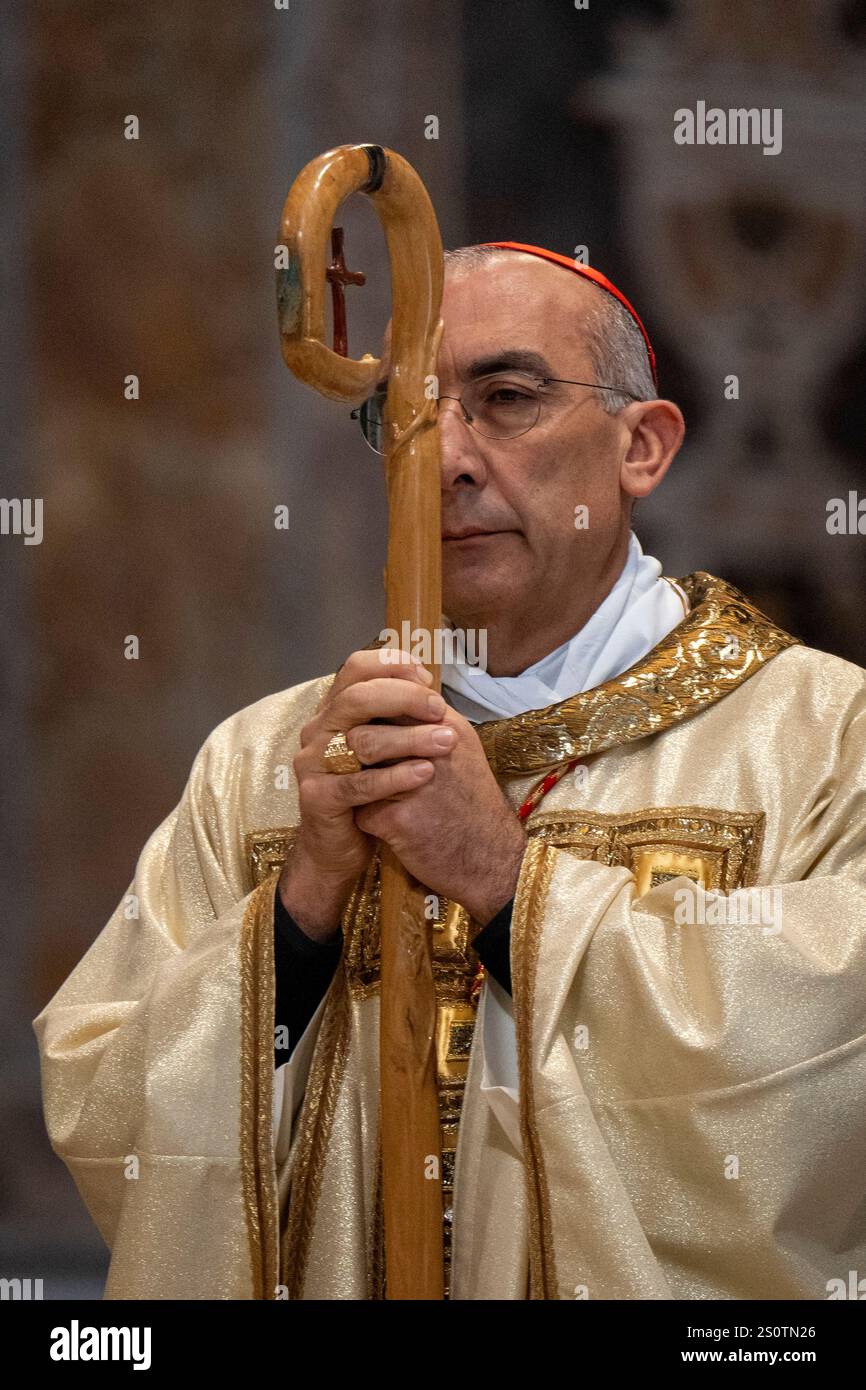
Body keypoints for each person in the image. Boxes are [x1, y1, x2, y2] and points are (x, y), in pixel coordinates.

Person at [34, 243, 866, 1301]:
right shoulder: (263, 761)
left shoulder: (821, 740)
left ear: (642, 446)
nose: (447, 459)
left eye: (506, 397)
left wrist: (508, 885)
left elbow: (825, 1092)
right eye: (405, 417)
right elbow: (104, 1108)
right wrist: (297, 912)